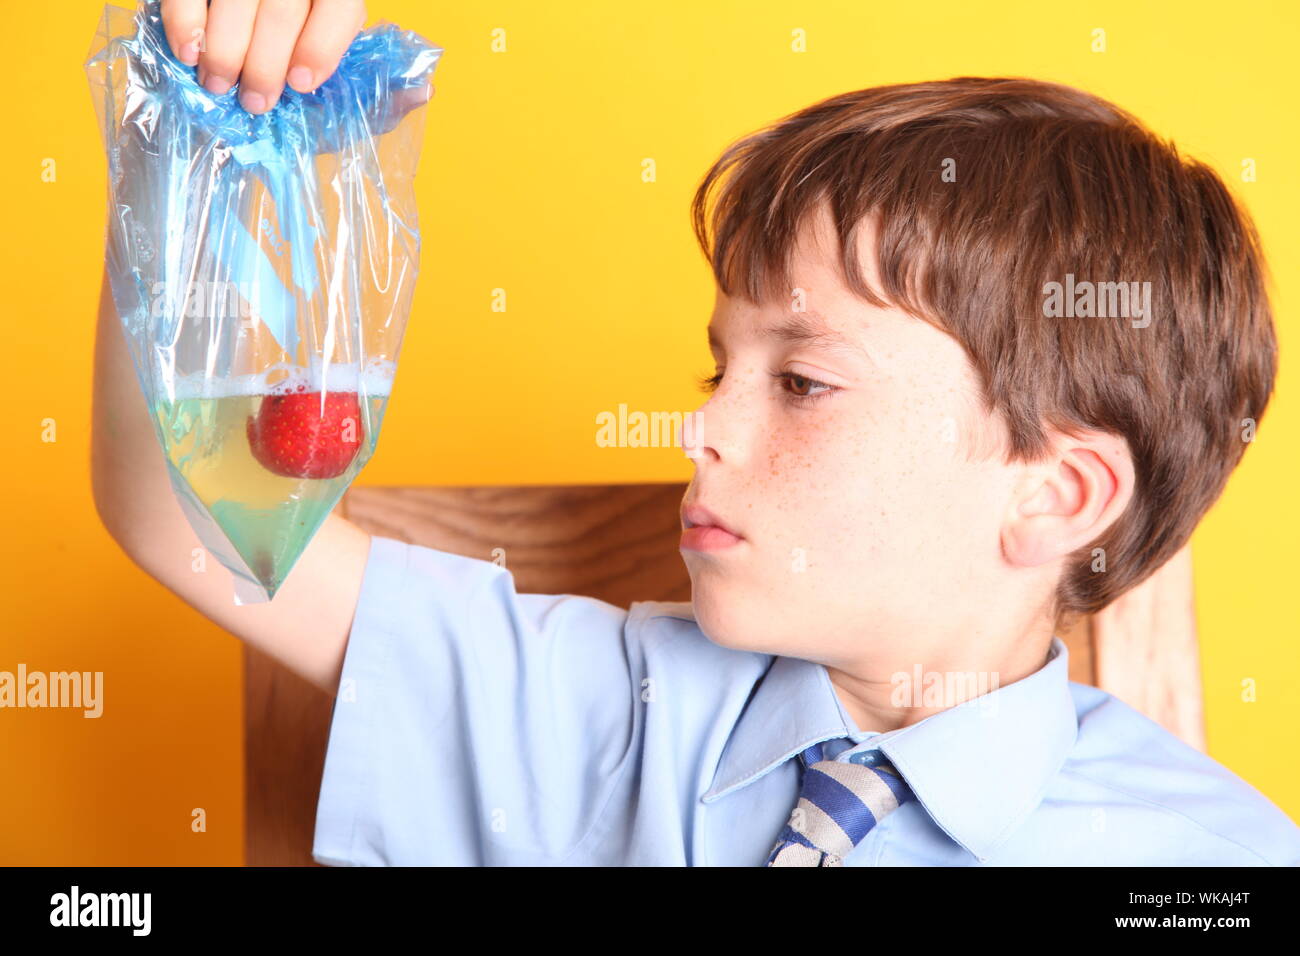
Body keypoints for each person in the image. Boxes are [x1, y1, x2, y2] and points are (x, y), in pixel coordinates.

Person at [92, 0, 1300, 865]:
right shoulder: (598, 708)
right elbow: (183, 519)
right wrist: (187, 141)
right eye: (721, 366)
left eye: (804, 382)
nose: (696, 427)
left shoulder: (1204, 860)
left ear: (1053, 494)